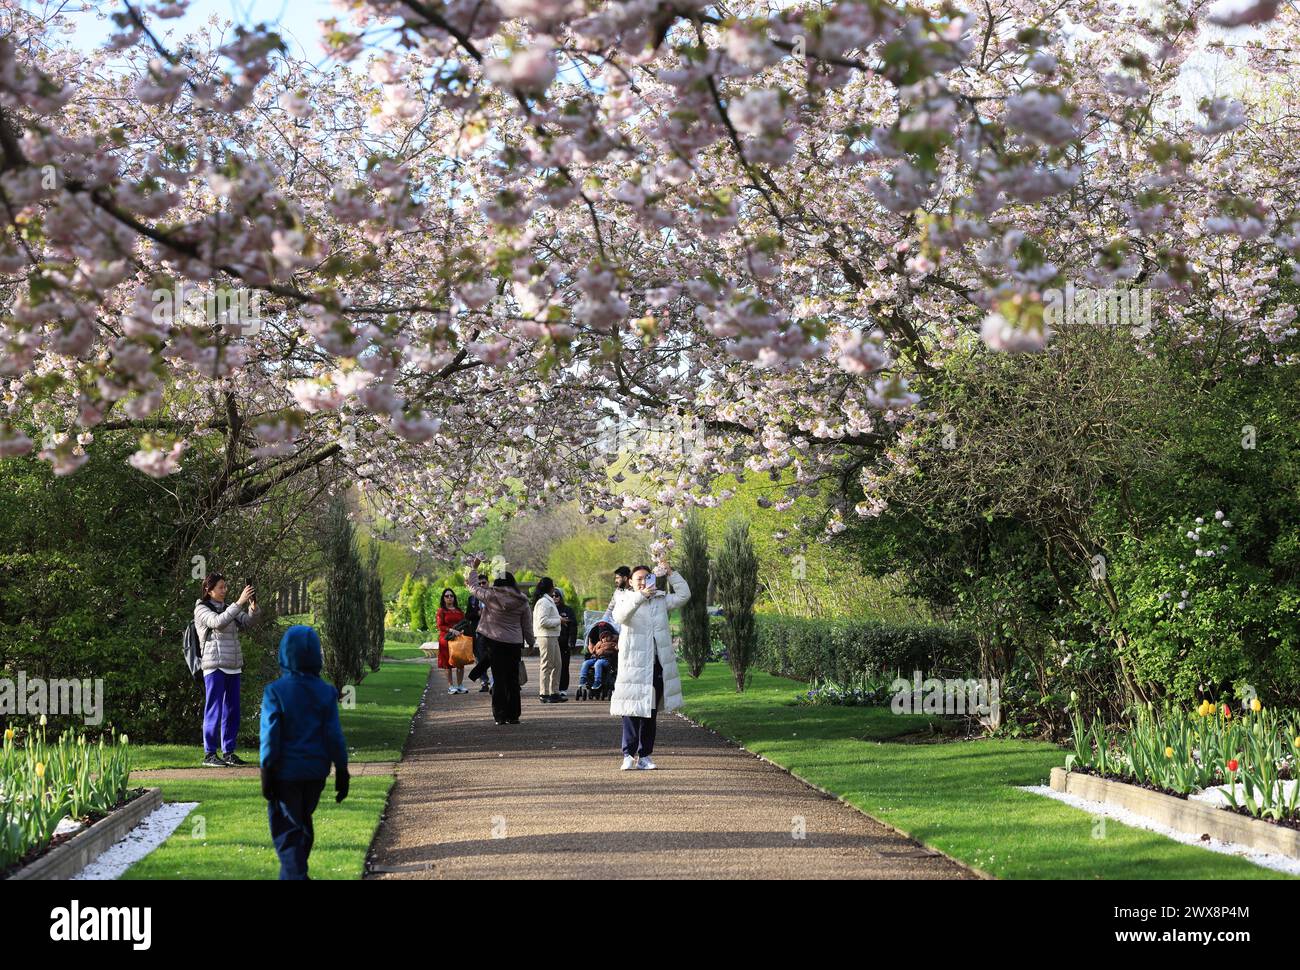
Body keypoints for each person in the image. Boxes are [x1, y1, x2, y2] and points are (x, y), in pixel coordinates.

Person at [259, 625, 349, 881]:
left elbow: (270, 737)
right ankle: (299, 874)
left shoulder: (275, 692)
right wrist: (342, 770)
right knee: (302, 822)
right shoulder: (325, 691)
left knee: (287, 831)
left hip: (285, 774)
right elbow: (334, 735)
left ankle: (295, 876)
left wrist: (266, 771)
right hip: (315, 773)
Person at [610, 564, 690, 771]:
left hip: (654, 664)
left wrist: (672, 573)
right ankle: (628, 754)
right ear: (630, 581)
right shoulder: (624, 598)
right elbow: (619, 617)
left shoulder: (660, 599)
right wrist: (640, 596)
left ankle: (645, 755)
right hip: (632, 665)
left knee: (649, 712)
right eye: (639, 578)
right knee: (630, 711)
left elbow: (683, 596)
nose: (643, 582)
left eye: (647, 577)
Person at [194, 572, 260, 767]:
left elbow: (248, 622)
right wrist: (239, 602)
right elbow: (218, 622)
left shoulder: (228, 607)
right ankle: (210, 754)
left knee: (232, 710)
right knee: (214, 709)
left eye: (225, 587)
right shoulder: (201, 609)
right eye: (221, 587)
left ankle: (229, 752)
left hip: (233, 665)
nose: (225, 590)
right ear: (209, 589)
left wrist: (253, 609)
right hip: (214, 666)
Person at [467, 559, 534, 724]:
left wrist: (474, 568)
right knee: (512, 679)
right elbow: (527, 625)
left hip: (495, 642)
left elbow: (473, 587)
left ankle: (500, 715)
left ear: (497, 583)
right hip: (514, 643)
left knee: (499, 678)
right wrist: (531, 642)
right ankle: (513, 715)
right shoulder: (522, 600)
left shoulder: (490, 595)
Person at [532, 577, 565, 703]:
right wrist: (559, 620)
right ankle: (544, 693)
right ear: (549, 587)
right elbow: (543, 621)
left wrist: (558, 620)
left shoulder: (547, 601)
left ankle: (554, 692)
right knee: (546, 665)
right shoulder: (543, 602)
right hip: (545, 636)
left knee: (557, 664)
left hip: (552, 635)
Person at [435, 588, 468, 695]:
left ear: (454, 597)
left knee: (460, 663)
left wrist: (462, 630)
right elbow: (440, 626)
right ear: (443, 598)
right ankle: (450, 686)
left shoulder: (459, 610)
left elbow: (464, 622)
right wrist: (452, 630)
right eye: (447, 596)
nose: (449, 598)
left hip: (458, 639)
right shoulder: (441, 611)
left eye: (451, 596)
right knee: (448, 663)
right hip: (446, 639)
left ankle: (460, 685)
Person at [466, 574, 491, 693]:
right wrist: (477, 614)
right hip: (478, 631)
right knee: (480, 658)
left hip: (492, 631)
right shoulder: (472, 599)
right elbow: (468, 615)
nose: (481, 585)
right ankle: (484, 682)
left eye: (483, 583)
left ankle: (496, 681)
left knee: (494, 656)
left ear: (488, 583)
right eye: (479, 583)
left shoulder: (493, 596)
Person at [579, 620, 618, 693]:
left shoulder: (612, 643)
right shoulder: (599, 643)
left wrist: (606, 650)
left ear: (611, 637)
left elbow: (616, 649)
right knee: (586, 663)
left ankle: (597, 680)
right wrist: (593, 651)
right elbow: (593, 650)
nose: (605, 639)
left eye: (607, 637)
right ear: (600, 638)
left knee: (598, 663)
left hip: (607, 659)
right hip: (597, 657)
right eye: (603, 637)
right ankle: (583, 677)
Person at [554, 588, 577, 699]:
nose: (554, 598)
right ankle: (553, 687)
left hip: (564, 643)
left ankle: (563, 688)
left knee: (564, 666)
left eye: (557, 595)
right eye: (552, 596)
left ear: (561, 597)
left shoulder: (568, 610)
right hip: (553, 641)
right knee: (552, 666)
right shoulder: (549, 609)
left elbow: (573, 627)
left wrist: (572, 641)